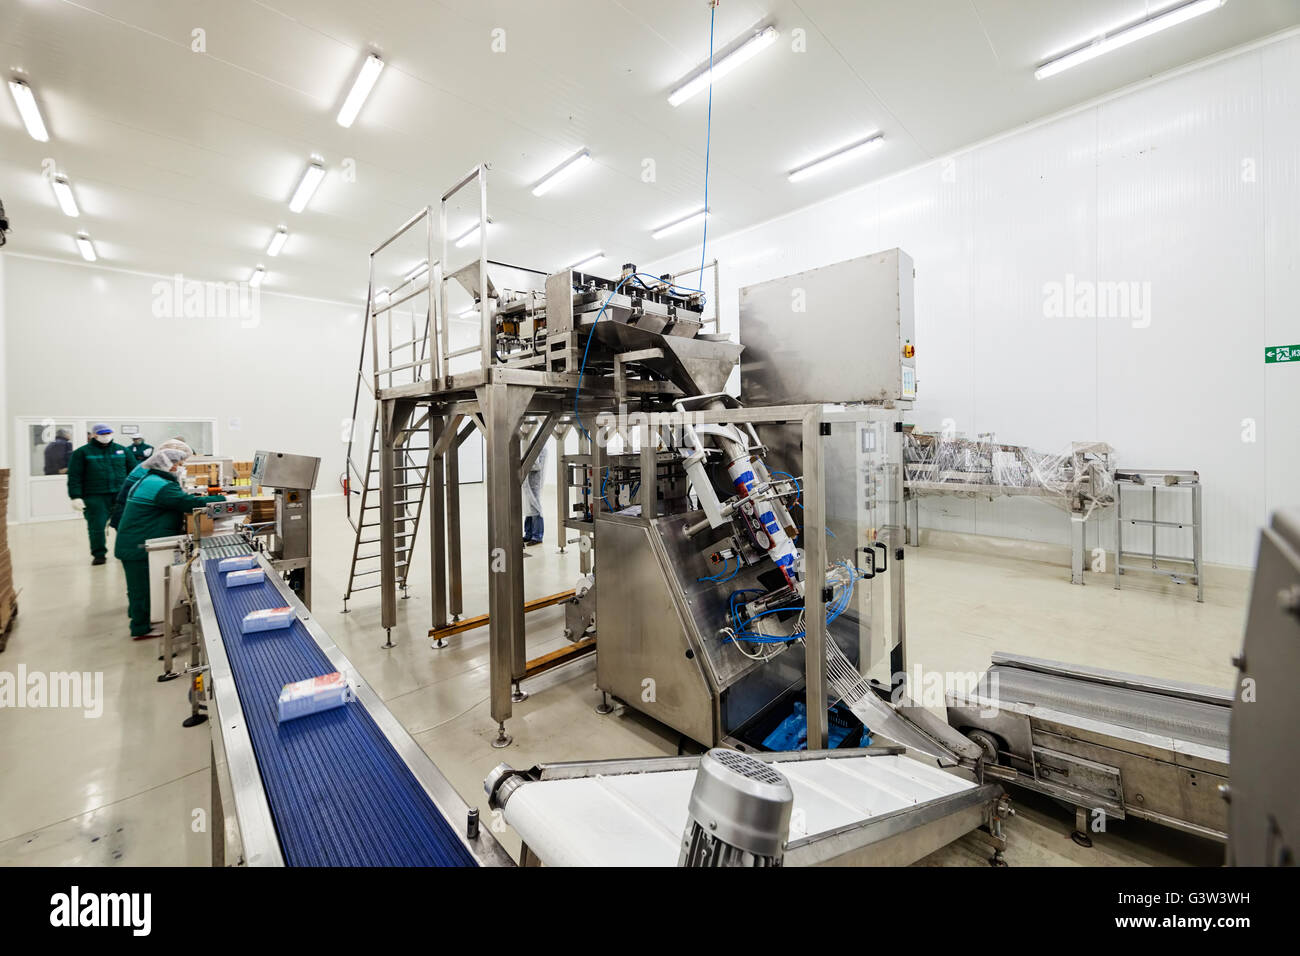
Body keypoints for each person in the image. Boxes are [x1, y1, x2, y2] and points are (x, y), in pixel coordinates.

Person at [114, 447, 226, 639]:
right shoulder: (161, 486)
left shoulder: (151, 479)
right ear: (167, 465)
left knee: (138, 586)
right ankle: (140, 628)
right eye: (179, 465)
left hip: (135, 540)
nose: (181, 468)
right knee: (141, 587)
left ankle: (140, 619)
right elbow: (188, 503)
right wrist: (221, 499)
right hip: (138, 544)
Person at [67, 424, 133, 565]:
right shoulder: (82, 453)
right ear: (94, 435)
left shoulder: (122, 450)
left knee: (124, 525)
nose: (106, 436)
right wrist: (75, 496)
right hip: (95, 496)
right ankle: (99, 554)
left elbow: (134, 472)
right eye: (102, 434)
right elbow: (74, 476)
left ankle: (125, 552)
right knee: (96, 527)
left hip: (120, 495)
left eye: (108, 433)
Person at [110, 439, 193, 530]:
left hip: (131, 514)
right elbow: (166, 493)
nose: (180, 465)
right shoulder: (150, 470)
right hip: (128, 517)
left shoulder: (154, 466)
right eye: (179, 462)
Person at [522, 437, 548, 546]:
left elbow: (537, 465)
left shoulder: (540, 448)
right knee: (529, 507)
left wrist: (522, 464)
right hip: (528, 480)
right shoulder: (532, 446)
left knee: (535, 507)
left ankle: (537, 536)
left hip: (534, 481)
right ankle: (528, 534)